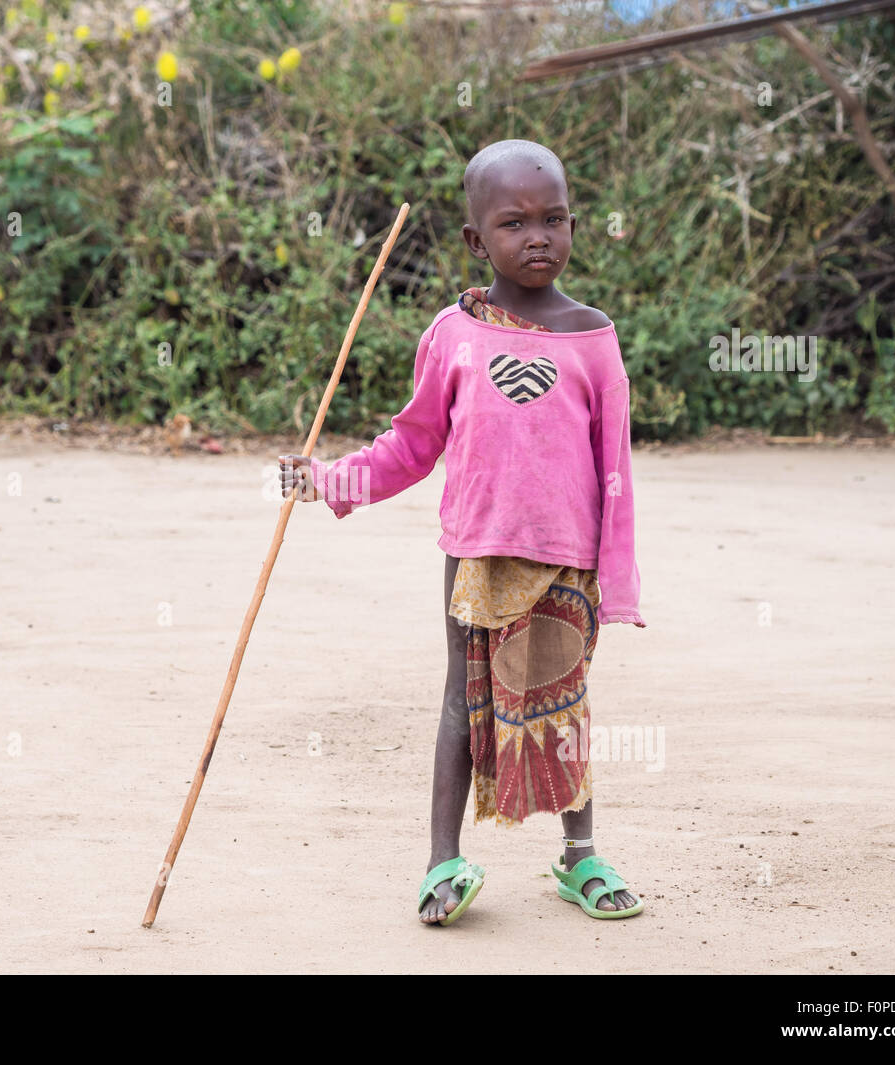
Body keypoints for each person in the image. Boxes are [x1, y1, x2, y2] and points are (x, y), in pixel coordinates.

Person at [280, 139, 646, 926]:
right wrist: (327, 479)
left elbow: (613, 469)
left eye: (554, 219)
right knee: (460, 700)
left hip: (566, 562)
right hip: (475, 554)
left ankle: (579, 854)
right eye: (515, 223)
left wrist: (619, 583)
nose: (538, 236)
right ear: (478, 241)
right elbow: (411, 444)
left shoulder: (594, 338)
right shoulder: (455, 333)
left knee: (566, 703)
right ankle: (442, 862)